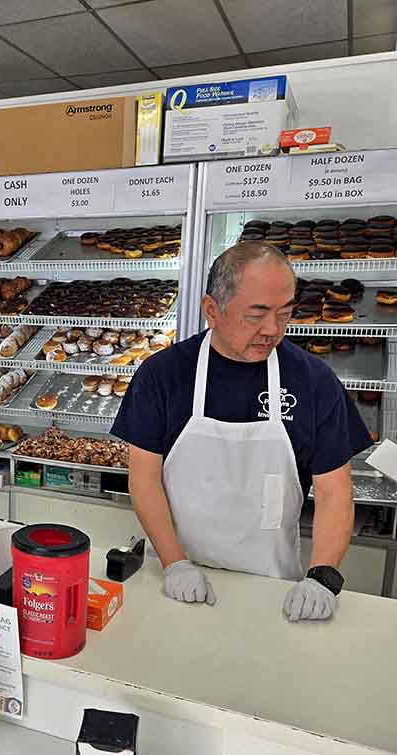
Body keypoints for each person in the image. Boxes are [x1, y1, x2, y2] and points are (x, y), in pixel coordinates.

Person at [111, 241, 373, 621]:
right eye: (257, 315)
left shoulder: (314, 382)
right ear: (211, 310)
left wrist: (321, 577)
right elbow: (144, 479)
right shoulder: (163, 375)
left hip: (275, 590)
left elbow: (335, 494)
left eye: (284, 314)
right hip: (175, 578)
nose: (273, 330)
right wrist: (174, 563)